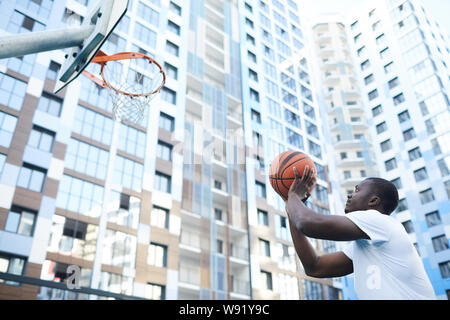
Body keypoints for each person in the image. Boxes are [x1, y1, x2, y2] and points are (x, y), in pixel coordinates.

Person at [286, 166, 436, 300]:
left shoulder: (379, 221)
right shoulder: (366, 244)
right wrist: (291, 208)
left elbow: (307, 223)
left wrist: (293, 196)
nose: (350, 195)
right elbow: (315, 267)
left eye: (357, 190)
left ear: (373, 201)